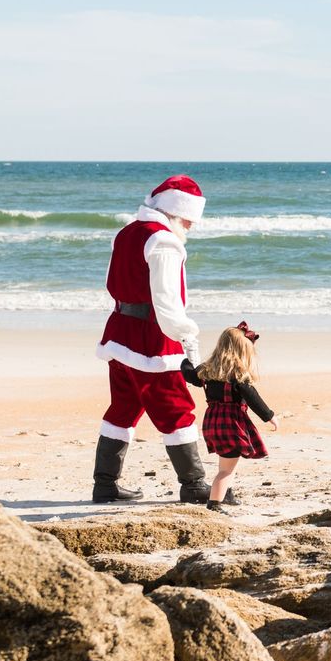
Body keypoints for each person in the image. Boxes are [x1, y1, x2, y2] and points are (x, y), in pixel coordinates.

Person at [92, 174, 212, 503]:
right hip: (153, 342)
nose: (190, 227)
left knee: (123, 408)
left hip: (119, 334)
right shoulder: (164, 242)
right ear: (177, 212)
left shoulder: (126, 233)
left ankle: (104, 485)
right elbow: (168, 306)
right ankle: (193, 485)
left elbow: (111, 283)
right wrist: (192, 347)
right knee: (176, 410)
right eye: (189, 219)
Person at [196, 321, 277, 515]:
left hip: (212, 422)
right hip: (230, 424)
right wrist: (270, 417)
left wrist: (184, 362)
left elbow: (189, 374)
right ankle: (214, 505)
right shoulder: (238, 377)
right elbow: (253, 399)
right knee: (226, 470)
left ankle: (227, 494)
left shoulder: (206, 372)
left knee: (225, 462)